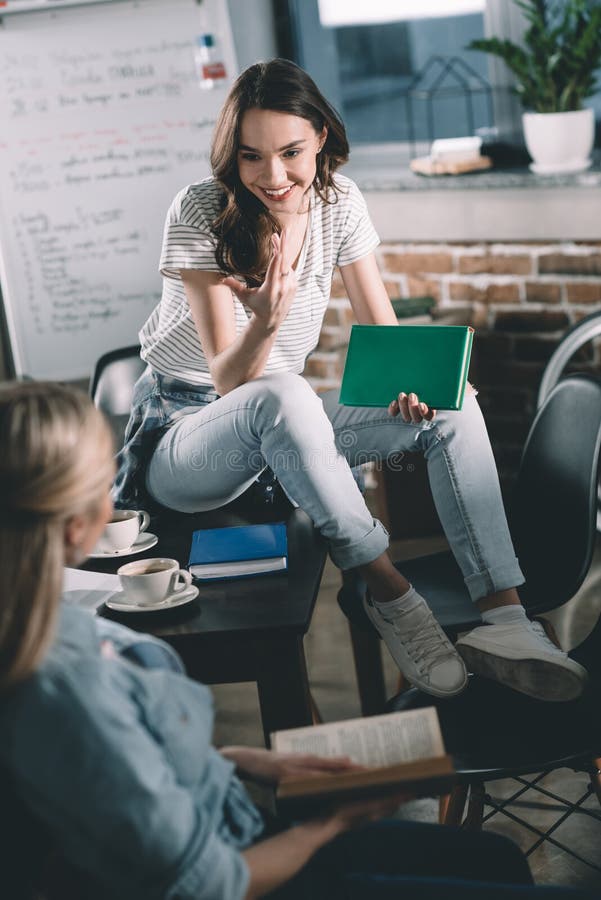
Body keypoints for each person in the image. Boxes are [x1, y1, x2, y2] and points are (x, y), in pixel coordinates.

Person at [0, 379, 598, 900]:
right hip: (254, 867)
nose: (114, 492)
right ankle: (388, 589)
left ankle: (503, 619)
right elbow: (208, 885)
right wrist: (332, 822)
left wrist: (245, 762)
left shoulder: (49, 621)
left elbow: (111, 777)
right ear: (78, 523)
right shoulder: (62, 677)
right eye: (101, 480)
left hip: (230, 818)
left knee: (497, 859)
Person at [114, 57, 586, 703]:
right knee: (282, 391)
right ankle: (390, 596)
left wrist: (419, 384)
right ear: (232, 155)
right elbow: (231, 381)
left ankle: (505, 620)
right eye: (251, 156)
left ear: (322, 141)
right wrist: (266, 322)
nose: (272, 176)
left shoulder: (340, 202)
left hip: (285, 426)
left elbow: (384, 337)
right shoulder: (201, 210)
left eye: (290, 152)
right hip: (189, 436)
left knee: (450, 404)